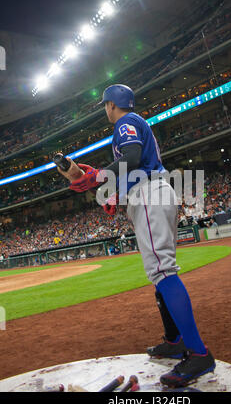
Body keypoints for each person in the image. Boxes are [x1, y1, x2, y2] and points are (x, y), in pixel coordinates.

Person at [57, 84, 215, 388]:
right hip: (150, 192)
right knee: (159, 274)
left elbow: (130, 157)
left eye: (105, 105)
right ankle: (176, 340)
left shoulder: (125, 122)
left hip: (150, 194)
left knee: (163, 271)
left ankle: (198, 353)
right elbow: (133, 165)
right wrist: (108, 186)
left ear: (111, 105)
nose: (105, 110)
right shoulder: (134, 123)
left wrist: (97, 177)